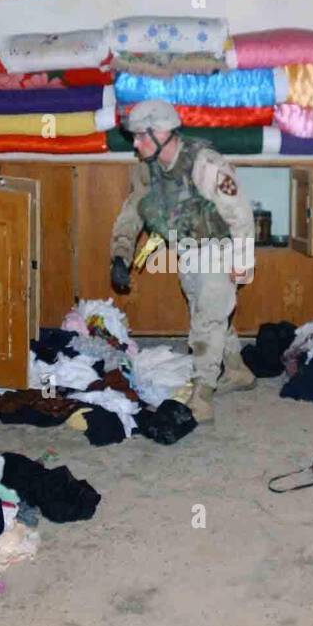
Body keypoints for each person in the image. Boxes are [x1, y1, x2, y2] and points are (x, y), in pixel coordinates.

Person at [110, 100, 257, 424]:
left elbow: (241, 215)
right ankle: (236, 369)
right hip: (188, 249)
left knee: (206, 322)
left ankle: (202, 394)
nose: (135, 144)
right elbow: (132, 211)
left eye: (140, 136)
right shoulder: (147, 167)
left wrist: (243, 261)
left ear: (161, 132)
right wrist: (120, 255)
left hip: (220, 248)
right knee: (210, 312)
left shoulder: (206, 163)